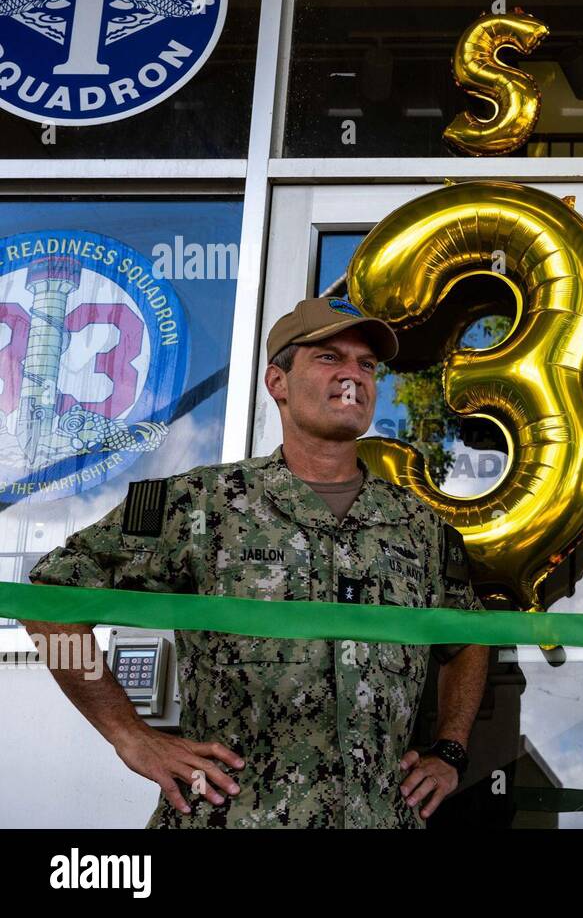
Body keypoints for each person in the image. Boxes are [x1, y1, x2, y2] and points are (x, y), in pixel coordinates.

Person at [23, 296, 489, 828]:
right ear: (278, 383)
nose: (353, 375)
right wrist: (132, 737)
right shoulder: (200, 504)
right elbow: (47, 603)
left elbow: (467, 636)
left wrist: (450, 749)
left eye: (366, 364)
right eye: (329, 358)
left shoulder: (419, 527)